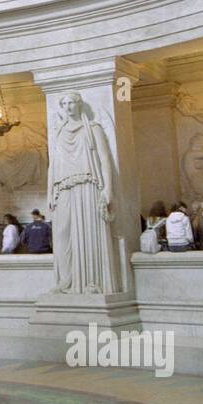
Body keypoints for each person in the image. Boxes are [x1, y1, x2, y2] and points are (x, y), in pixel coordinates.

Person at [47, 92, 119, 293]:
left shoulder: (92, 128)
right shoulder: (59, 132)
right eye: (65, 103)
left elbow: (105, 160)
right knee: (62, 234)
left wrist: (108, 190)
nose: (68, 106)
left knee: (88, 232)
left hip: (88, 184)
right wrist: (49, 192)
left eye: (72, 102)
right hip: (63, 187)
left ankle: (91, 282)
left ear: (79, 104)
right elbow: (52, 165)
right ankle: (66, 280)